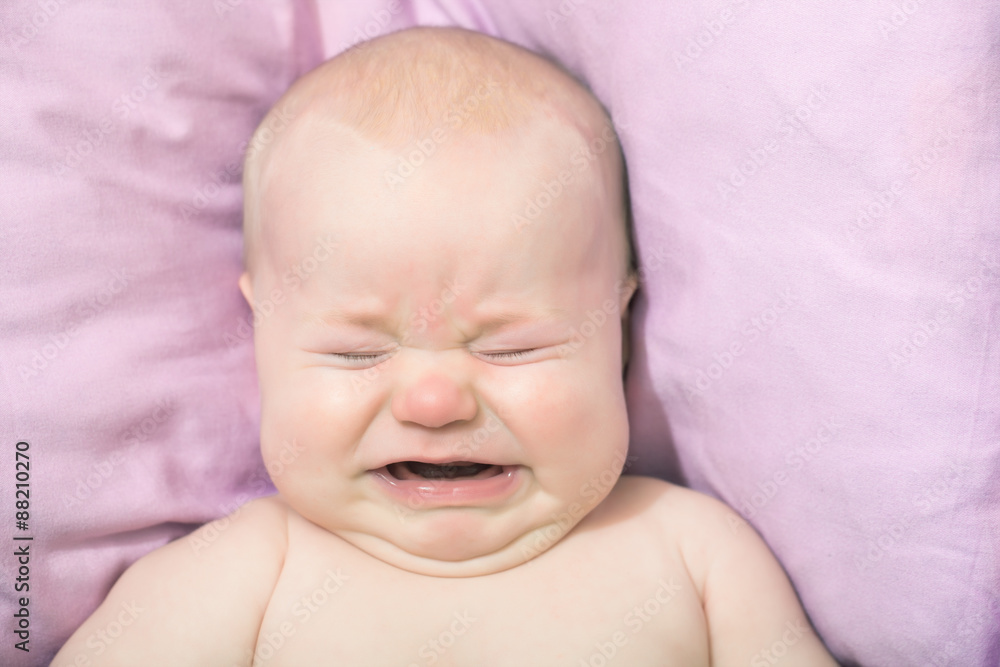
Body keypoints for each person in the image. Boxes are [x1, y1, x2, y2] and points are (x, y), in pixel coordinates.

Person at [54, 26, 838, 666]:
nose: (434, 401)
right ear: (262, 334)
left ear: (620, 331)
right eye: (358, 352)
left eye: (511, 348)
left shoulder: (694, 552)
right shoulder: (245, 572)